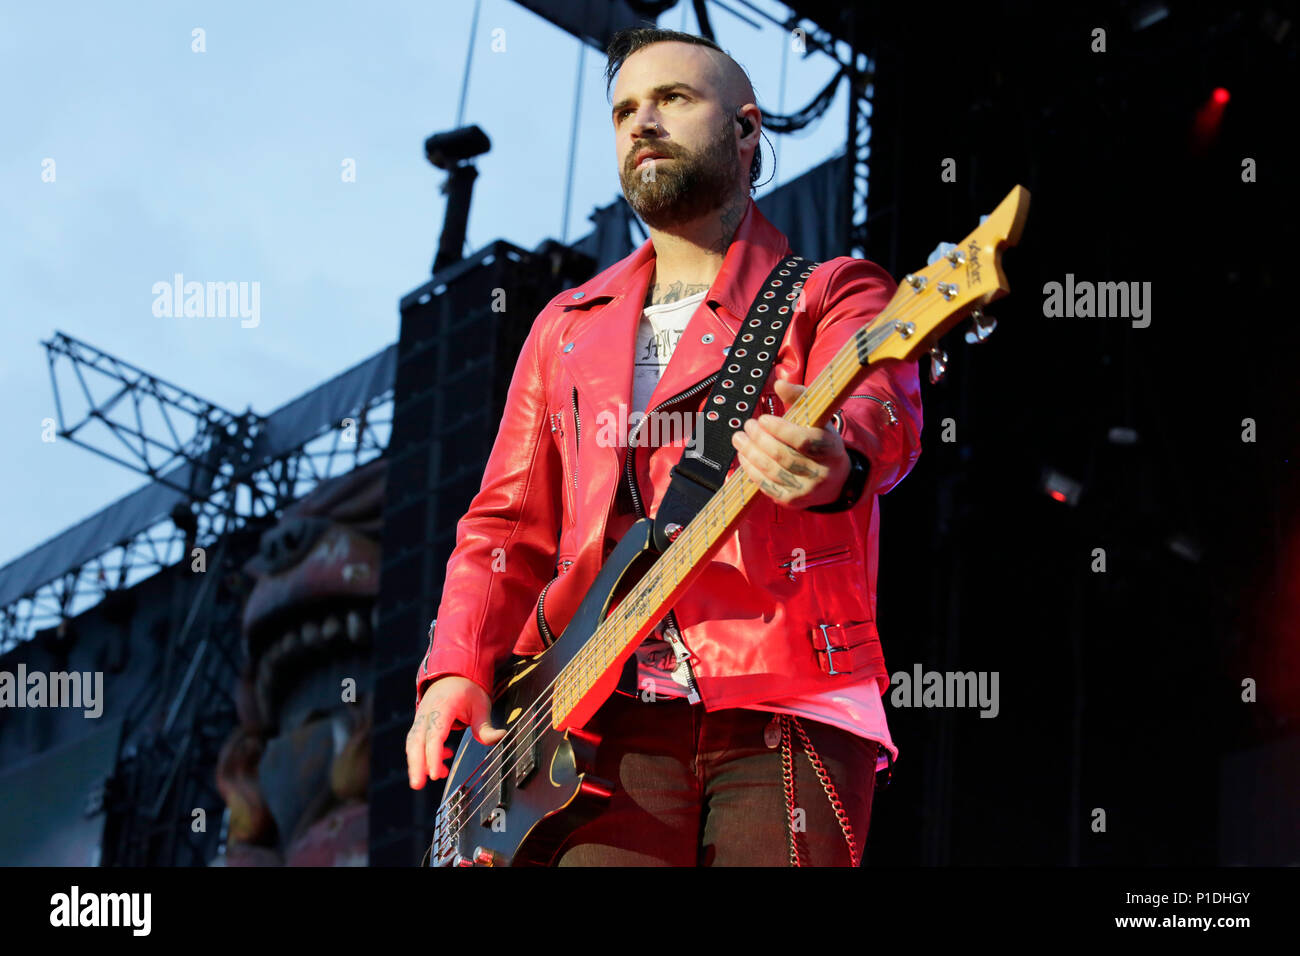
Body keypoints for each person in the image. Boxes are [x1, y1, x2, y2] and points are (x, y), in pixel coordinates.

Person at [405, 27, 923, 866]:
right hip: (590, 716)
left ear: (747, 129)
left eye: (672, 100)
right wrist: (458, 663)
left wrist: (839, 459)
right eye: (623, 111)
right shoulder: (566, 326)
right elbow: (503, 524)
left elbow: (879, 405)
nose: (642, 122)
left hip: (787, 701)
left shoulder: (832, 291)